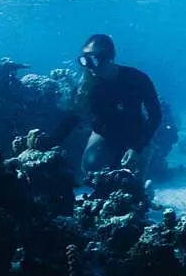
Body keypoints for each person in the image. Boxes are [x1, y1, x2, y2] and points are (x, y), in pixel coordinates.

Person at [48, 34, 163, 175]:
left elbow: (155, 115)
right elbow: (74, 116)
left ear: (109, 59)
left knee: (132, 180)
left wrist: (137, 147)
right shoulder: (86, 86)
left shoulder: (137, 79)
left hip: (135, 133)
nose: (89, 67)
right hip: (104, 133)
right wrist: (51, 142)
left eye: (94, 60)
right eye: (84, 60)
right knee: (90, 166)